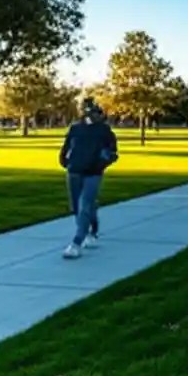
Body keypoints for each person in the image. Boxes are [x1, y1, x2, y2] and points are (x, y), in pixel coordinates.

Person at [58, 98, 118, 259]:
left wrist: (102, 163)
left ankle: (76, 242)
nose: (92, 115)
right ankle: (93, 229)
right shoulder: (75, 129)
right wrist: (64, 161)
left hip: (93, 173)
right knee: (78, 208)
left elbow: (113, 153)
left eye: (95, 112)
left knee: (84, 205)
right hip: (74, 171)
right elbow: (67, 146)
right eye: (89, 111)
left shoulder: (105, 131)